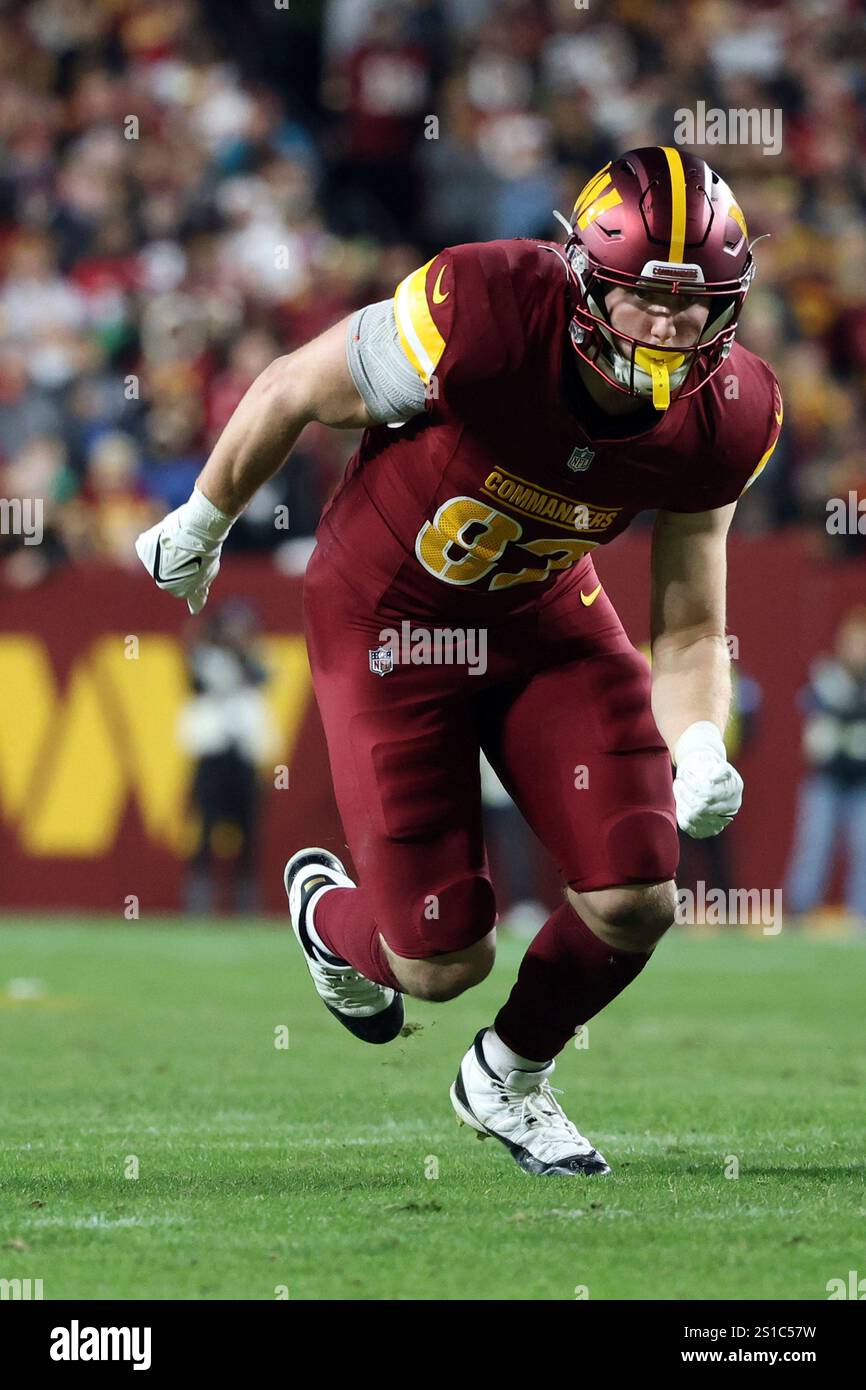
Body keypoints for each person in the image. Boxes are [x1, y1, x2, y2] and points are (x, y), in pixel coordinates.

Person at [135, 148, 782, 1176]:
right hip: (387, 618)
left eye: (692, 306)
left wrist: (695, 738)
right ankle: (325, 913)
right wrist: (204, 518)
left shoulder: (730, 412)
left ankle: (509, 1080)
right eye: (641, 300)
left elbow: (690, 623)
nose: (668, 329)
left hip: (541, 618)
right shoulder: (481, 310)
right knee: (437, 960)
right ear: (582, 279)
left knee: (635, 892)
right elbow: (295, 382)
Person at [785, 608, 866, 928]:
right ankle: (800, 914)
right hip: (827, 780)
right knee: (814, 847)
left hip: (862, 783)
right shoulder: (828, 678)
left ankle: (860, 918)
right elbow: (818, 738)